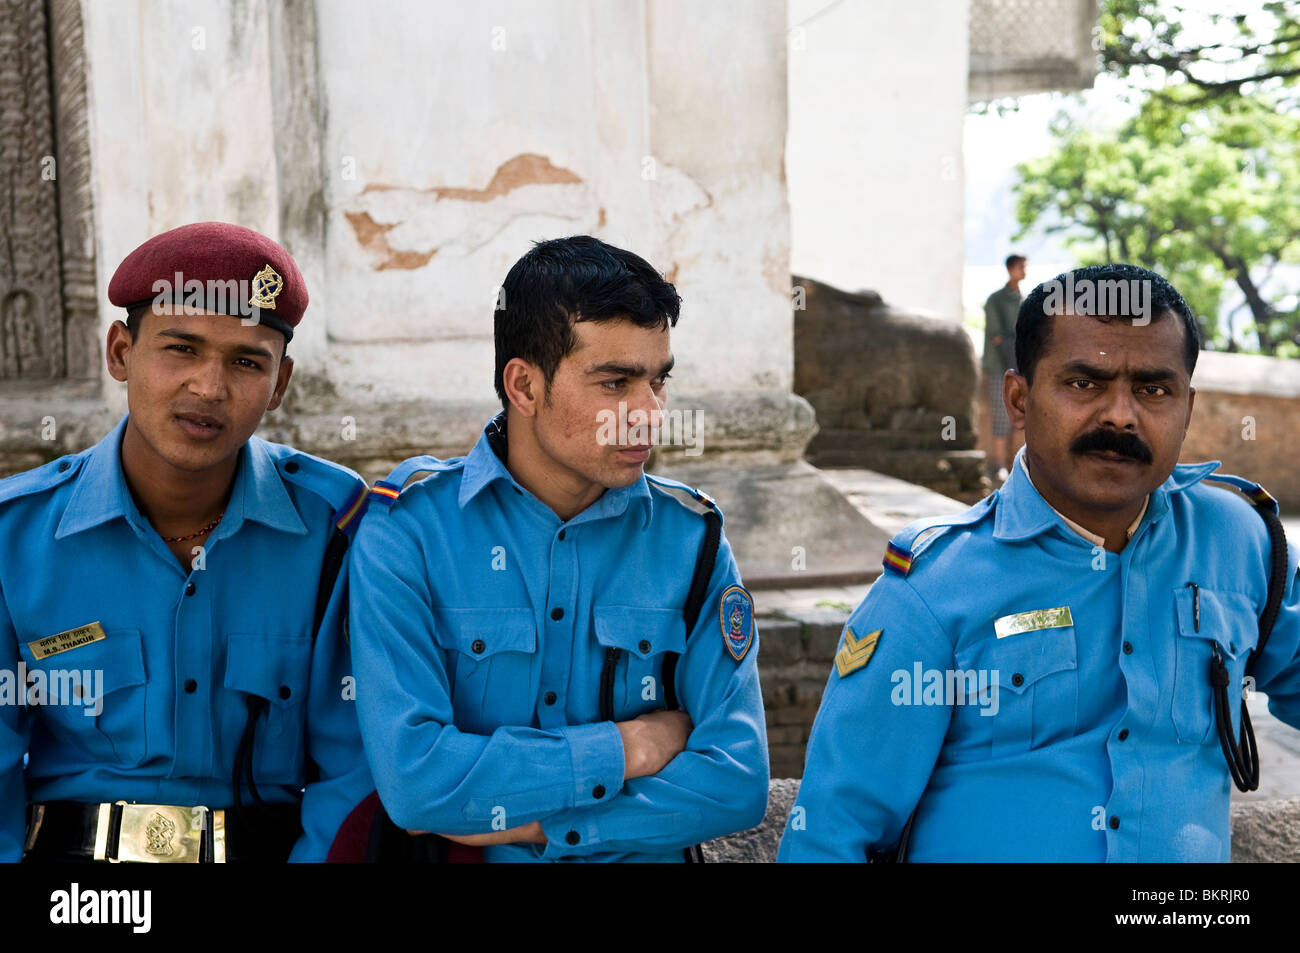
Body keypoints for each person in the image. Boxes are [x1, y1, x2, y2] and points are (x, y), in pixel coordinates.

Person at [779, 263, 1300, 862]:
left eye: (1154, 389)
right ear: (1019, 399)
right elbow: (831, 831)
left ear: (1187, 406)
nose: (1121, 416)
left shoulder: (1238, 542)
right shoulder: (935, 585)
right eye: (1084, 384)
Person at [348, 235, 768, 862]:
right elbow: (416, 783)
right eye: (616, 383)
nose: (649, 414)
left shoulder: (690, 538)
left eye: (658, 382)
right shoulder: (409, 532)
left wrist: (545, 828)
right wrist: (632, 748)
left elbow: (736, 783)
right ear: (523, 386)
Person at [0, 222, 373, 863]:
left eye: (246, 362)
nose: (209, 387)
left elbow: (355, 765)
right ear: (120, 351)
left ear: (280, 383)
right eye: (181, 348)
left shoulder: (334, 529)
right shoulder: (16, 536)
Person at [983, 254, 1026, 481]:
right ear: (1010, 269)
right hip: (999, 367)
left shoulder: (1024, 300)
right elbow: (996, 336)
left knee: (1020, 418)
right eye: (1021, 266)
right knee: (1001, 416)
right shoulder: (995, 300)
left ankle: (1014, 467)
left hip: (1020, 367)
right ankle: (998, 464)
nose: (1024, 270)